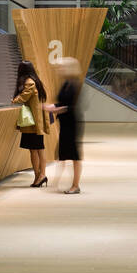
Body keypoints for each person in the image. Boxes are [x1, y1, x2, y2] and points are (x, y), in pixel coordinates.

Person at [45, 58, 84, 194]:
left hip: (71, 123)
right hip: (65, 122)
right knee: (62, 153)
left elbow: (69, 106)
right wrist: (52, 106)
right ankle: (57, 182)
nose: (59, 70)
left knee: (74, 155)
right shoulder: (66, 84)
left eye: (62, 67)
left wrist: (54, 109)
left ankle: (75, 185)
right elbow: (61, 103)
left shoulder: (74, 85)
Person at [11, 60, 50, 188]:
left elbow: (22, 98)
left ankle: (40, 175)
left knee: (35, 150)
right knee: (38, 149)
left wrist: (14, 100)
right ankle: (39, 175)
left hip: (32, 124)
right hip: (35, 123)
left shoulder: (29, 83)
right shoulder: (36, 82)